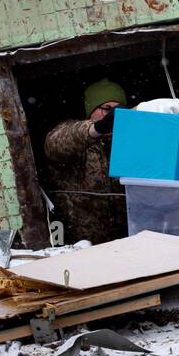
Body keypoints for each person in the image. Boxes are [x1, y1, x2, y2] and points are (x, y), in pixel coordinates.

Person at [43, 78, 127, 245]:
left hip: (127, 239)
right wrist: (97, 129)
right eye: (106, 109)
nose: (111, 115)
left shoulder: (127, 141)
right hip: (83, 244)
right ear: (91, 110)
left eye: (118, 110)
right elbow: (55, 144)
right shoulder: (76, 136)